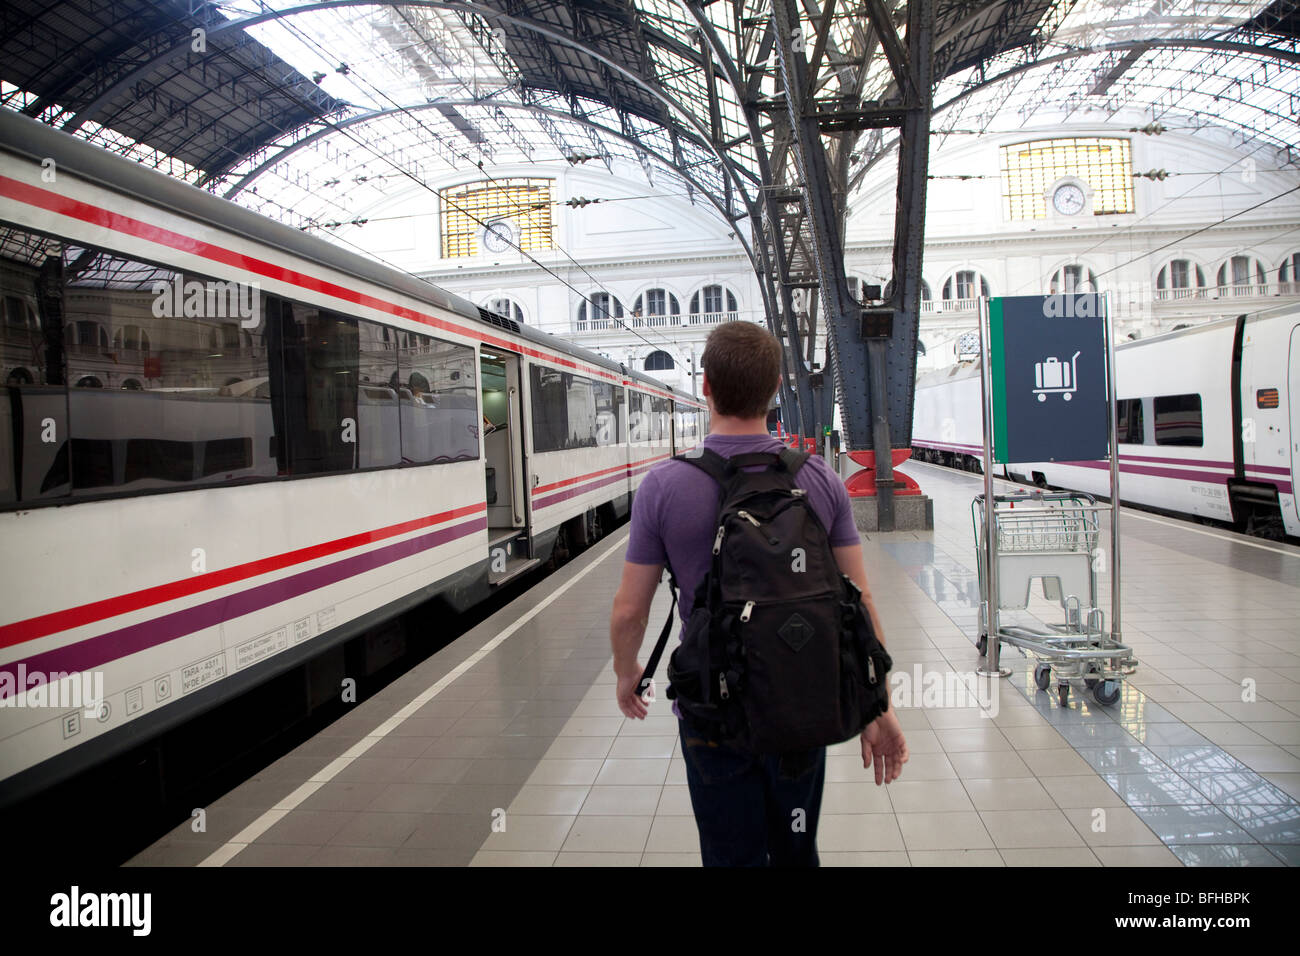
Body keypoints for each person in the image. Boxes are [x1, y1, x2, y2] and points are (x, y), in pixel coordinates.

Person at [609, 320, 908, 866]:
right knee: (796, 851)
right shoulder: (819, 479)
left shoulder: (663, 486)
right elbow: (858, 601)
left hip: (712, 711)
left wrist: (629, 674)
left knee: (731, 856)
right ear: (775, 389)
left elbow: (630, 608)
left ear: (706, 386)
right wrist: (876, 701)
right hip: (801, 699)